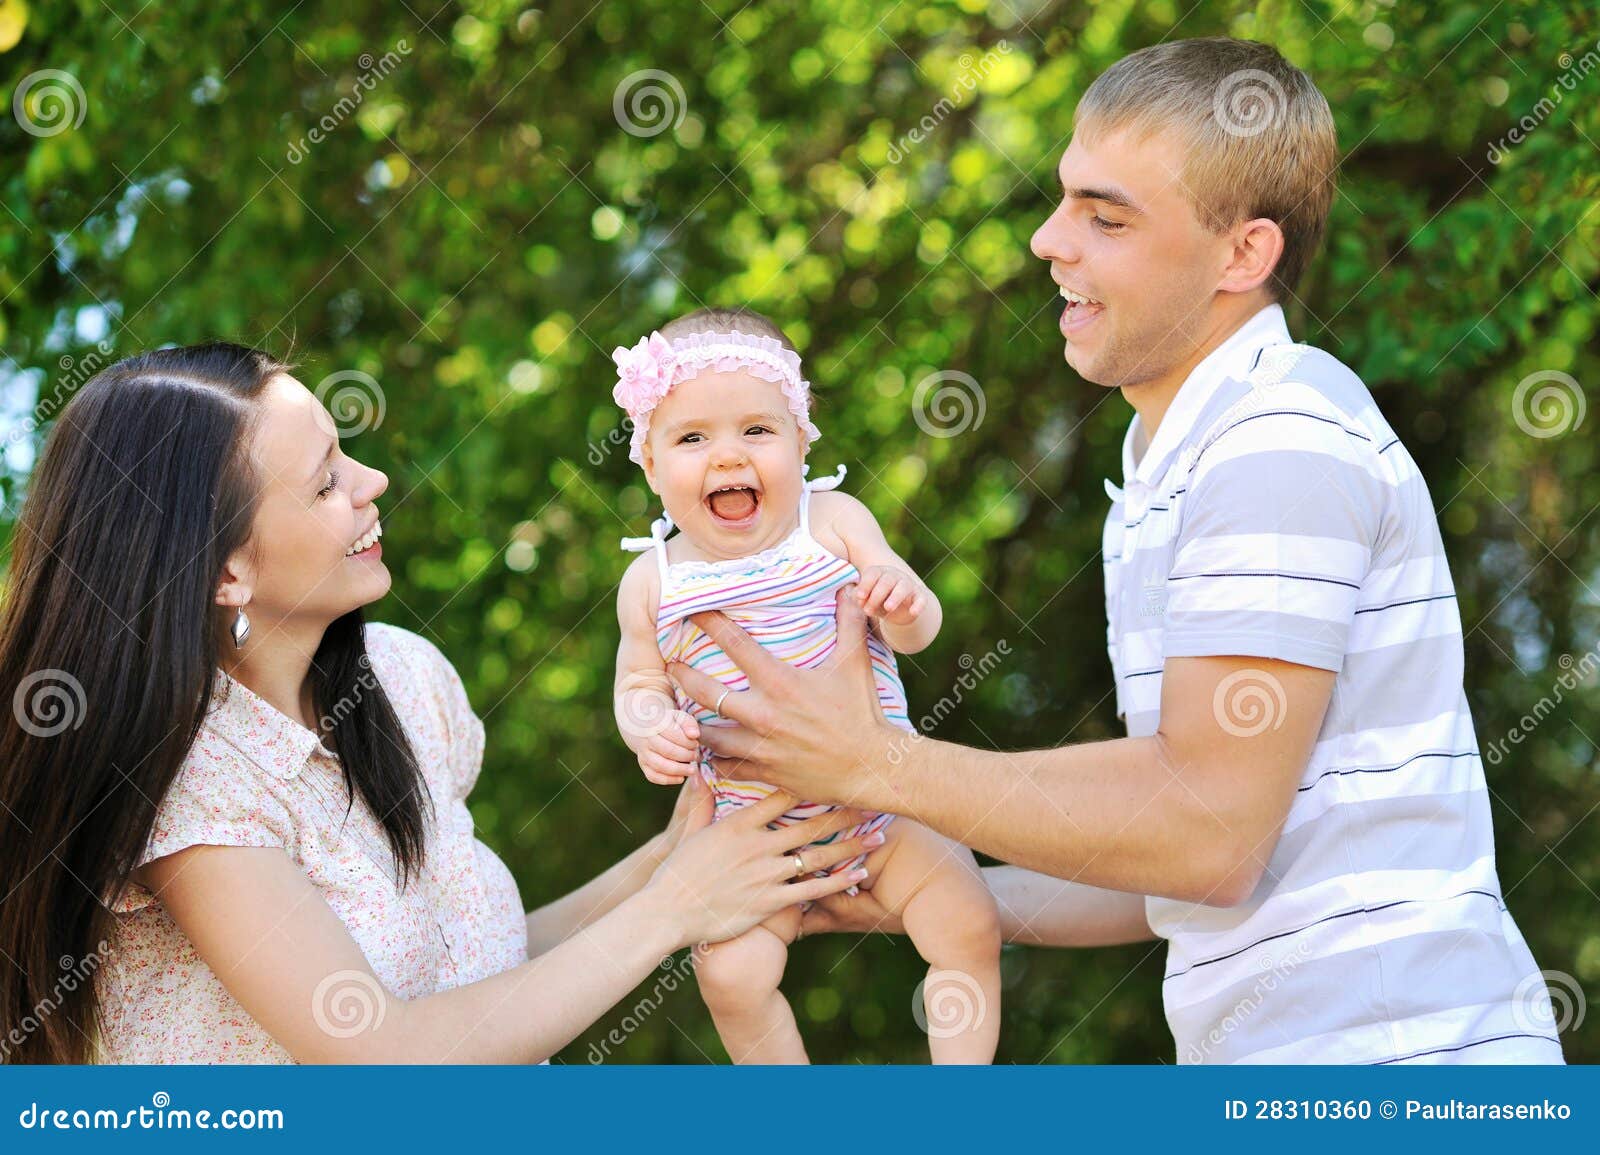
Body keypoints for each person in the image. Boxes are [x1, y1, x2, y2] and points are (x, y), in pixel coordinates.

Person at [666, 38, 1566, 1065]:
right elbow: (1179, 856)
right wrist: (907, 894)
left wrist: (876, 766)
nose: (1051, 242)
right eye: (1062, 201)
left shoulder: (1277, 444)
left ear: (1242, 254)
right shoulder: (1173, 459)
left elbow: (1208, 834)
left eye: (1106, 216)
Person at [0, 343, 877, 1064]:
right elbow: (385, 1057)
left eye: (345, 452)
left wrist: (673, 860)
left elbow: (481, 985)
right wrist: (675, 906)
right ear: (227, 570)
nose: (372, 480)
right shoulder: (191, 784)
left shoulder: (404, 680)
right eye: (324, 483)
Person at [611, 307, 1001, 1063]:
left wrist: (901, 597)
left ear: (801, 439)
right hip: (759, 839)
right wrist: (647, 724)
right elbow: (637, 681)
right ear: (652, 465)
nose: (728, 457)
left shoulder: (833, 523)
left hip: (884, 805)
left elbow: (918, 629)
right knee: (730, 974)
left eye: (757, 431)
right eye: (692, 438)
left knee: (967, 919)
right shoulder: (652, 580)